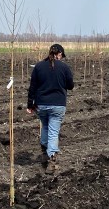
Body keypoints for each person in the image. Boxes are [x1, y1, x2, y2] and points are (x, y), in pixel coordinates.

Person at [27, 43, 75, 174]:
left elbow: (32, 87)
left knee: (45, 126)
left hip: (41, 104)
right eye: (62, 55)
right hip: (58, 104)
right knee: (53, 131)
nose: (62, 58)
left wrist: (30, 105)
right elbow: (70, 85)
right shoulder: (64, 67)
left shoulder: (38, 66)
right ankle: (52, 160)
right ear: (59, 54)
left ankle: (44, 152)